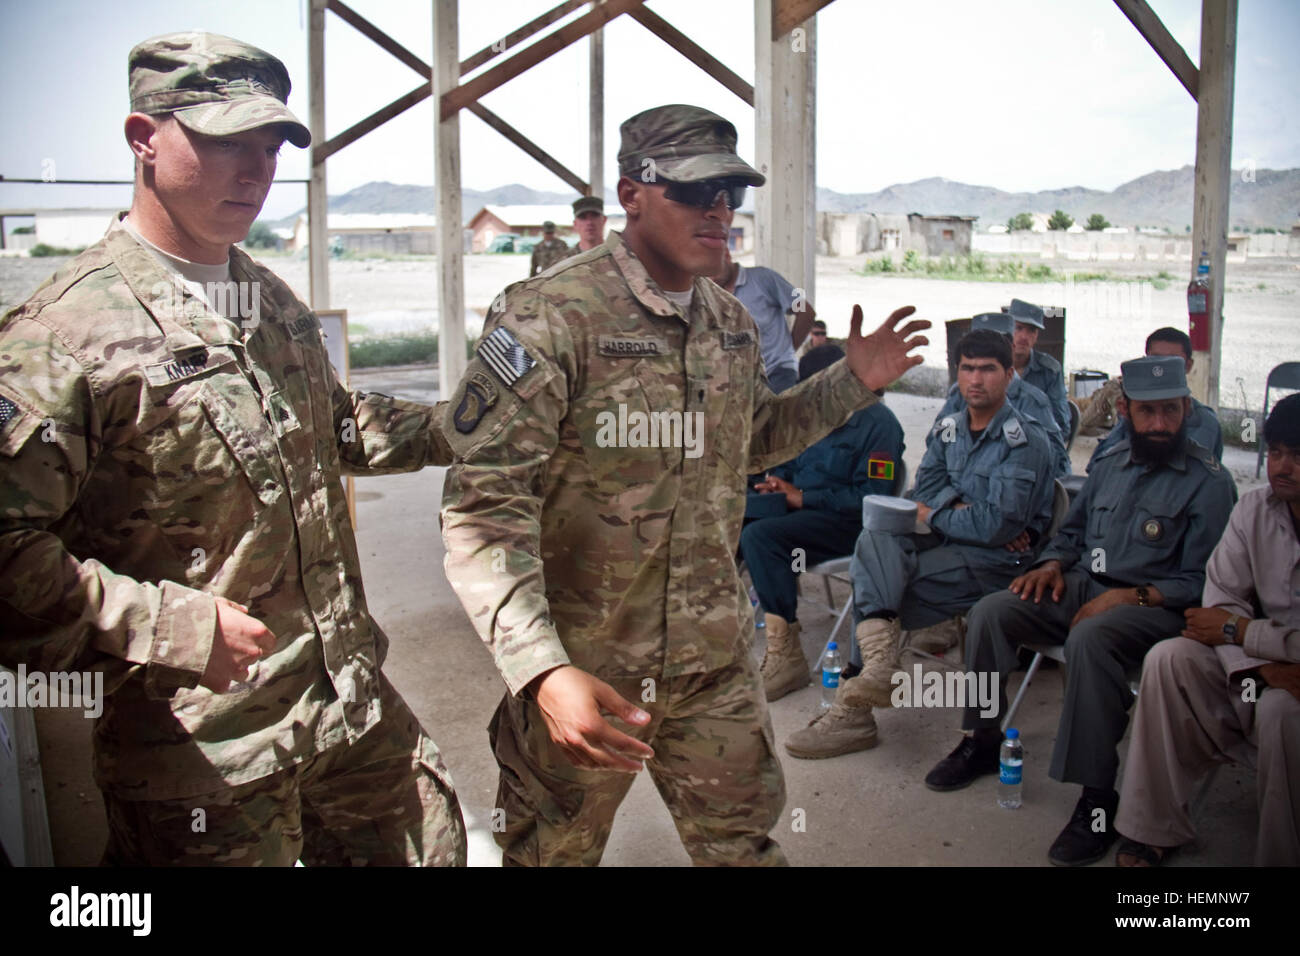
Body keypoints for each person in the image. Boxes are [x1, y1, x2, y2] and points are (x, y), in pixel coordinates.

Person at [0, 33, 466, 867]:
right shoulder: (62, 333)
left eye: (270, 146)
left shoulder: (261, 292)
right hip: (205, 752)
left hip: (346, 706)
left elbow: (335, 424)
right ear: (144, 138)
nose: (255, 172)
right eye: (223, 142)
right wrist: (166, 623)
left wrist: (465, 426)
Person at [440, 103, 929, 866]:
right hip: (587, 667)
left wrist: (848, 383)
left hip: (713, 659)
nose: (719, 211)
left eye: (730, 195)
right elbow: (481, 508)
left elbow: (751, 442)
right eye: (696, 193)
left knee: (743, 847)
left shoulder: (730, 321)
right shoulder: (552, 315)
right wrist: (539, 666)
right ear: (632, 193)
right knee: (550, 852)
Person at [924, 355, 1236, 867]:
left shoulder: (1209, 481)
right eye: (1148, 412)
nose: (1160, 425)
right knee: (992, 611)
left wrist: (1128, 597)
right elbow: (1072, 533)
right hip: (1087, 584)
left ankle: (1097, 797)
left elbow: (1203, 582)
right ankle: (982, 738)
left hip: (1157, 608)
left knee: (1091, 637)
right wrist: (1050, 562)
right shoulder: (1110, 463)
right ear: (1124, 409)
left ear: (1186, 409)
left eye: (1171, 412)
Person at [782, 330, 1056, 759]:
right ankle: (876, 673)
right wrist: (959, 507)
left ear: (1008, 374)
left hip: (997, 562)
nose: (976, 380)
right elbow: (920, 494)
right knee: (874, 538)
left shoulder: (1024, 441)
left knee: (880, 590)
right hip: (945, 541)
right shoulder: (949, 428)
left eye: (987, 369)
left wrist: (943, 509)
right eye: (967, 368)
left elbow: (993, 529)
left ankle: (856, 708)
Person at [1115, 392, 1300, 867]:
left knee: (1281, 710)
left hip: (1279, 681)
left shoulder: (1207, 480)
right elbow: (1218, 603)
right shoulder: (1255, 509)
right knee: (1169, 658)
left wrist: (1246, 636)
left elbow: (1228, 624)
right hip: (1258, 672)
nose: (1283, 467)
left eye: (1298, 457)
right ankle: (1153, 828)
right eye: (1276, 452)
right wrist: (1258, 667)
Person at [740, 343, 905, 702]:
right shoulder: (806, 417)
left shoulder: (879, 425)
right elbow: (783, 464)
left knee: (760, 537)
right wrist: (772, 484)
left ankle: (787, 658)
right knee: (727, 517)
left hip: (846, 525)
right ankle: (717, 630)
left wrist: (803, 496)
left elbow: (874, 498)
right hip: (798, 514)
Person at [937, 312, 1071, 477]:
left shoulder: (1031, 402)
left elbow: (1055, 459)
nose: (987, 352)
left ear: (1011, 349)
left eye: (996, 345)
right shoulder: (960, 394)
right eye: (979, 345)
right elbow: (941, 438)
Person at [1084, 327, 1224, 466]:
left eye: (1172, 361)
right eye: (1155, 360)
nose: (1161, 369)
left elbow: (1183, 476)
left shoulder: (1203, 423)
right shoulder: (1137, 411)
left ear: (1188, 366)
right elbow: (1098, 464)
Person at [711, 246, 815, 392]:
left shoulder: (763, 278)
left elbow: (806, 311)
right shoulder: (710, 292)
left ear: (727, 255)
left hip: (777, 373)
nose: (711, 279)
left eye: (714, 271)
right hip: (740, 380)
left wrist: (789, 349)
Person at [1007, 298, 1070, 437]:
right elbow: (950, 423)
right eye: (1018, 328)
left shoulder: (1050, 371)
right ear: (1007, 329)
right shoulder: (990, 366)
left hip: (1032, 446)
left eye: (1031, 330)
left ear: (1036, 336)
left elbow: (1061, 426)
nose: (1024, 336)